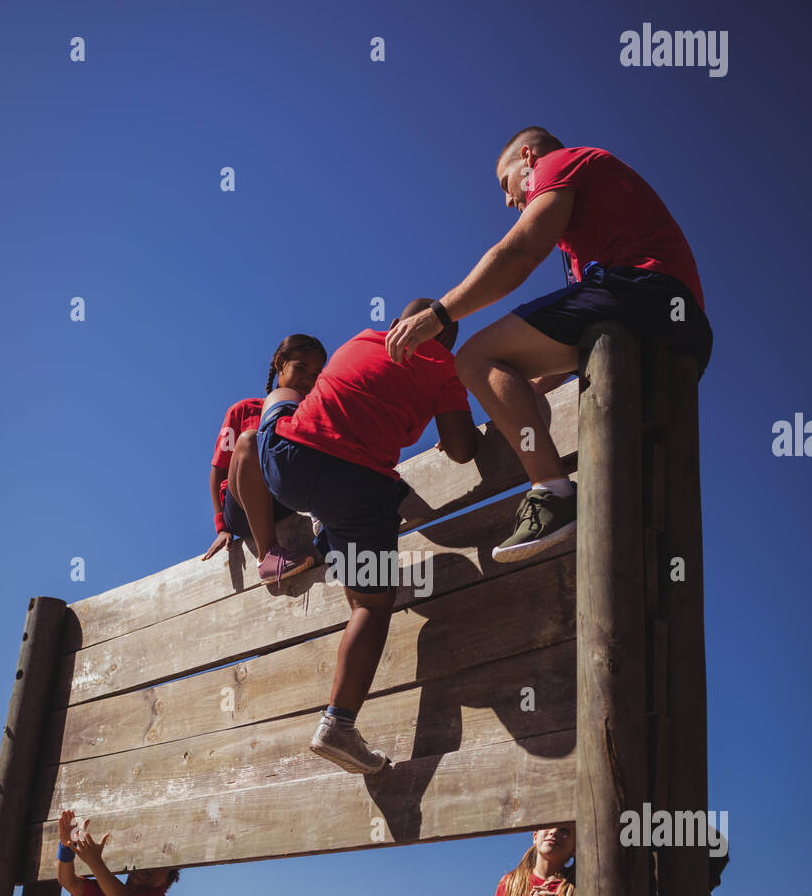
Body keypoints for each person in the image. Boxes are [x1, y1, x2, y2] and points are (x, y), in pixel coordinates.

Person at [386, 127, 712, 564]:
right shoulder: (592, 230)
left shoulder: (557, 164)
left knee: (476, 357)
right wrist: (526, 390)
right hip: (680, 327)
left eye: (506, 183)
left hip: (643, 291)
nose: (507, 200)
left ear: (527, 157)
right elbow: (582, 337)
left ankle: (554, 494)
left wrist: (440, 314)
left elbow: (520, 252)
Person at [255, 299, 481, 774]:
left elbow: (349, 399)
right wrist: (458, 426)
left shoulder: (362, 338)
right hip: (359, 490)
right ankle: (338, 723)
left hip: (284, 460)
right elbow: (461, 450)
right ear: (445, 339)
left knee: (284, 402)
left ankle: (322, 533)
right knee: (373, 606)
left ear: (396, 324)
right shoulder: (443, 366)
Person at [202, 334, 327, 585]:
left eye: (315, 375)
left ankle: (324, 520)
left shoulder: (311, 415)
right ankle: (268, 556)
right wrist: (221, 527)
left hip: (287, 497)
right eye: (300, 368)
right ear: (281, 363)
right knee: (250, 441)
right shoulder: (244, 410)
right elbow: (219, 472)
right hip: (242, 507)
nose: (307, 379)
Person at [55, 809, 178, 896]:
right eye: (144, 855)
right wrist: (66, 847)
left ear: (168, 880)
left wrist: (95, 862)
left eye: (159, 861)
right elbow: (69, 882)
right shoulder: (103, 893)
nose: (149, 864)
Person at [488, 825, 576, 896]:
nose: (554, 832)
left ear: (574, 848)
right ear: (535, 836)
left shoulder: (579, 888)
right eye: (548, 825)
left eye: (564, 830)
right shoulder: (510, 883)